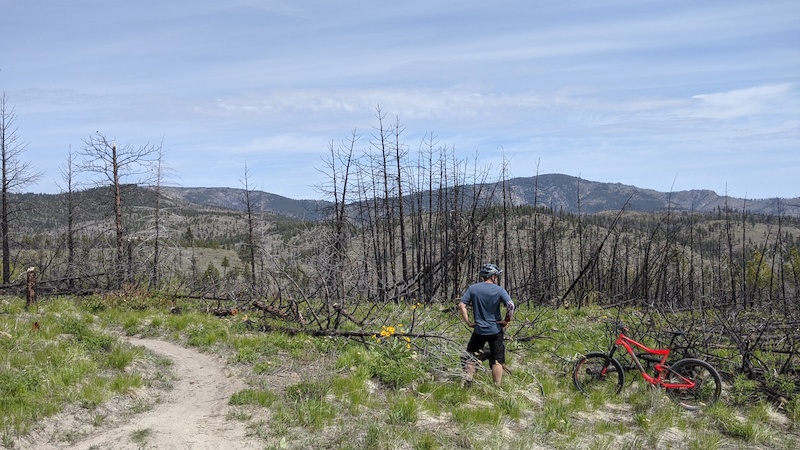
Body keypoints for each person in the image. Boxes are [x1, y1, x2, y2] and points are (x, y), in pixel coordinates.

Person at [457, 263, 515, 386]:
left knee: (471, 357)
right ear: (493, 277)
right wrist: (506, 320)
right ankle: (497, 386)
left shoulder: (473, 289)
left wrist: (468, 322)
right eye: (497, 276)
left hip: (479, 330)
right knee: (497, 360)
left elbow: (462, 305)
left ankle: (469, 381)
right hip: (495, 330)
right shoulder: (499, 290)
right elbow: (511, 306)